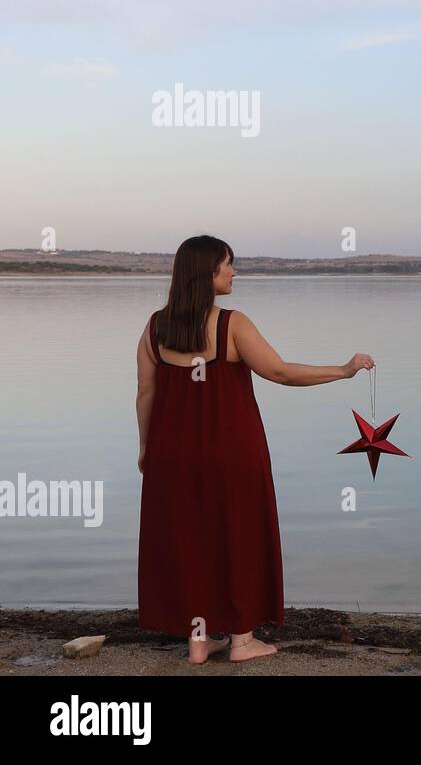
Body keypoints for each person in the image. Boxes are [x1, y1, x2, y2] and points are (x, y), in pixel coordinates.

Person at [136, 235, 374, 664]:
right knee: (238, 536)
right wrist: (343, 369)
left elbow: (146, 394)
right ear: (208, 273)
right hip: (232, 452)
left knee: (188, 540)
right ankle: (242, 641)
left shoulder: (155, 328)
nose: (234, 271)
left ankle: (198, 640)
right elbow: (280, 373)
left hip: (170, 455)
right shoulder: (231, 324)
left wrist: (145, 448)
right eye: (228, 264)